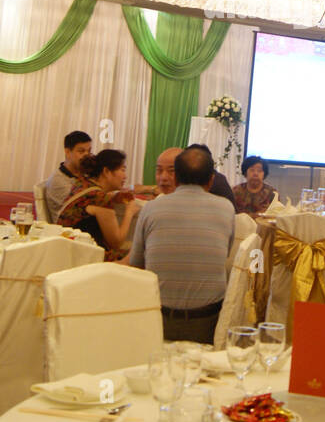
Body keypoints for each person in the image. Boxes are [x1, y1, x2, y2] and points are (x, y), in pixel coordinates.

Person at [127, 146, 234, 343]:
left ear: (176, 179)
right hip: (208, 322)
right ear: (211, 180)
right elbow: (223, 254)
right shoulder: (226, 209)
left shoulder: (150, 209)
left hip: (158, 318)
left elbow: (135, 265)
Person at [55, 148, 141, 261]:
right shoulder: (101, 199)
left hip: (66, 249)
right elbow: (116, 242)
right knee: (139, 255)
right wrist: (129, 212)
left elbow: (87, 205)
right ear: (106, 171)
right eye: (122, 170)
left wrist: (114, 197)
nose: (125, 176)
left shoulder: (83, 183)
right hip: (84, 257)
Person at [42, 131, 92, 223]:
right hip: (69, 230)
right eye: (81, 151)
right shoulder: (58, 180)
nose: (86, 155)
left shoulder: (85, 174)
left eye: (89, 151)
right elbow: (80, 207)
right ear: (68, 152)